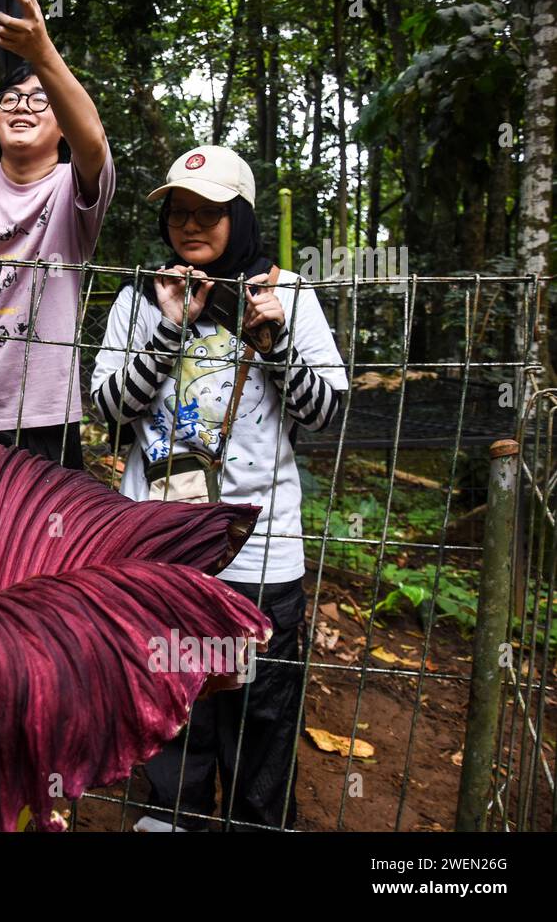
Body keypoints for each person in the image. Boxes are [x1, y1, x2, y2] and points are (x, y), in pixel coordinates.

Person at [90, 145, 348, 831]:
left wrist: (276, 341)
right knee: (175, 704)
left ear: (241, 215)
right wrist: (168, 333)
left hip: (260, 557)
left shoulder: (285, 292)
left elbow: (324, 414)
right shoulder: (138, 297)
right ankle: (170, 816)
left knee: (259, 722)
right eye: (179, 211)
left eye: (209, 211)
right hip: (163, 548)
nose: (190, 224)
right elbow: (108, 408)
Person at [0, 0, 115, 470]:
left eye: (39, 101)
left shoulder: (73, 192)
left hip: (40, 419)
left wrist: (40, 50)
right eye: (9, 101)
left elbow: (93, 141)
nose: (22, 107)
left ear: (62, 127)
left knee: (39, 545)